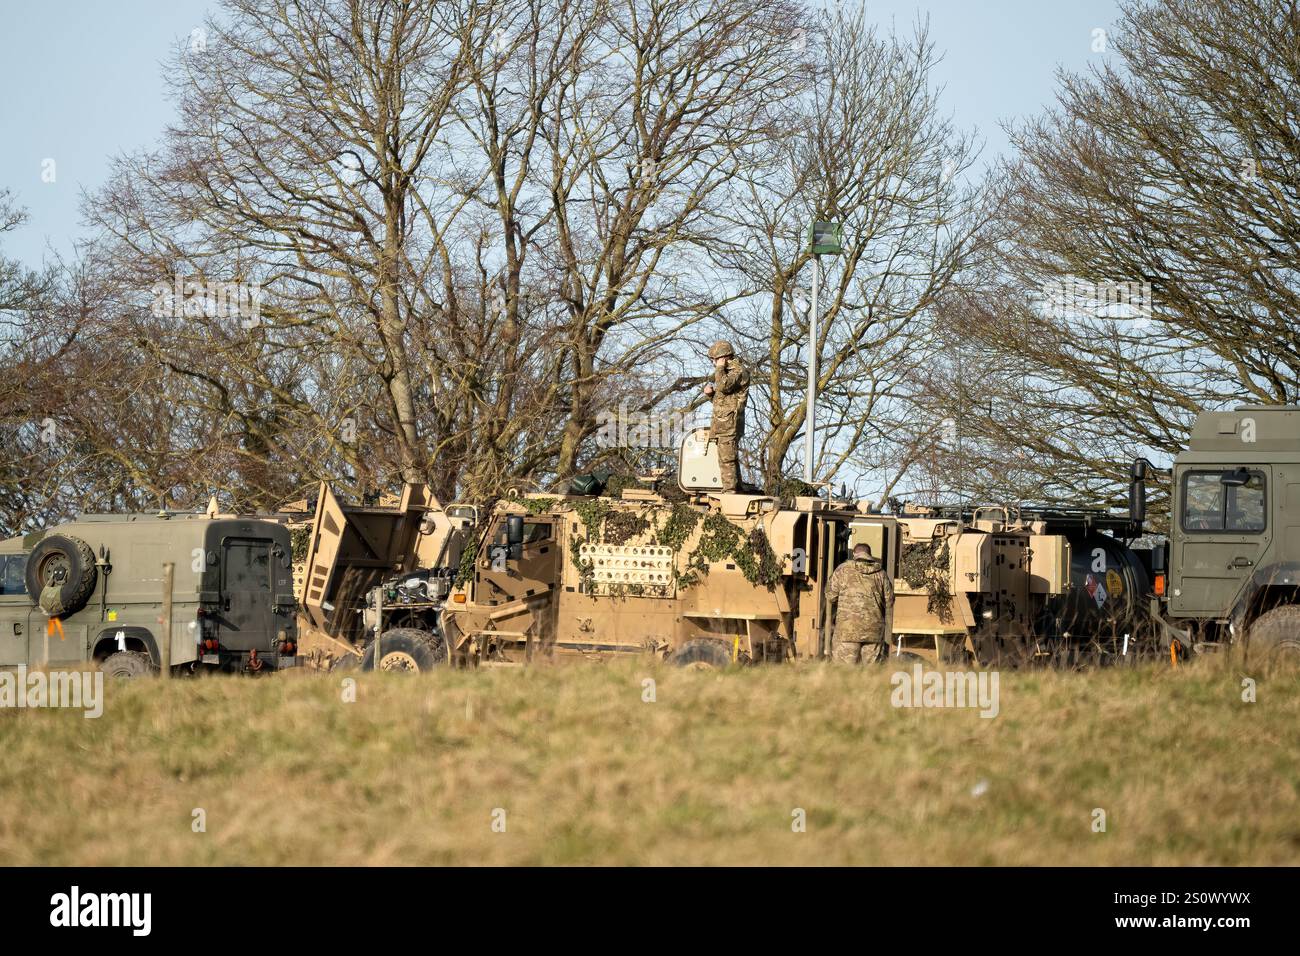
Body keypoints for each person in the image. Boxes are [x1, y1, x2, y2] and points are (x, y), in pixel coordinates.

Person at [827, 543, 894, 664]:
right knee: (872, 674)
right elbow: (889, 601)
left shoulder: (842, 570)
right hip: (873, 631)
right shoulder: (881, 573)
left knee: (844, 673)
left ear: (854, 554)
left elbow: (831, 596)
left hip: (847, 631)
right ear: (870, 555)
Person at [702, 340, 750, 493]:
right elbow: (724, 400)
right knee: (727, 457)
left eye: (714, 359)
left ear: (723, 357)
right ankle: (735, 488)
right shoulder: (728, 373)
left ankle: (730, 491)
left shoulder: (737, 371)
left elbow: (724, 386)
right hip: (724, 423)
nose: (713, 362)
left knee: (727, 459)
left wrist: (719, 368)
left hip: (730, 423)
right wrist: (711, 395)